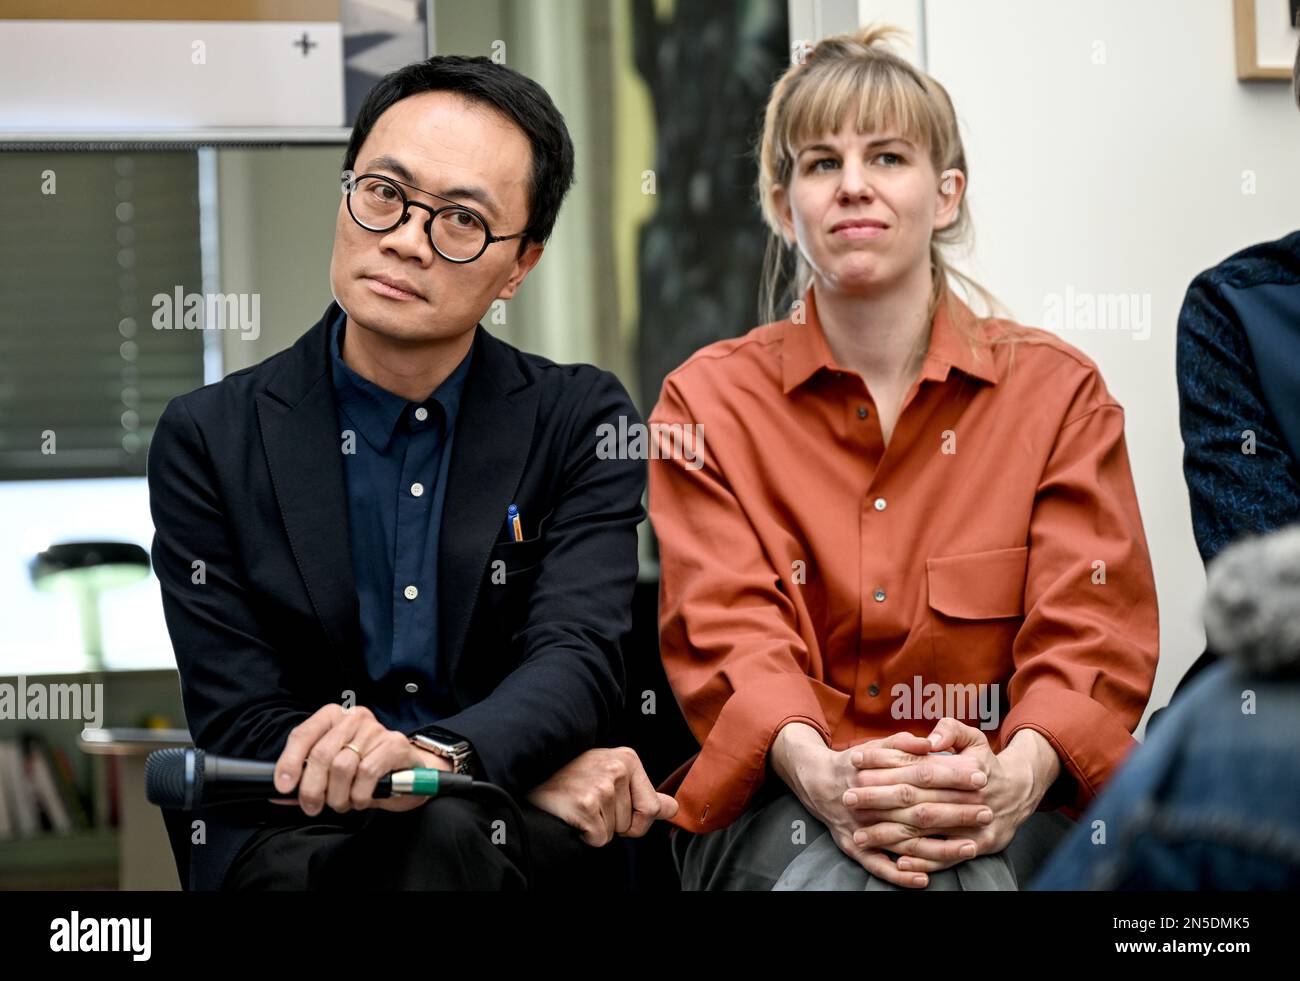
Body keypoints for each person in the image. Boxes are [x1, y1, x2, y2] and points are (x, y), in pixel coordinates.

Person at [648, 26, 1159, 890]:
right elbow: (732, 638)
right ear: (783, 206)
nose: (853, 186)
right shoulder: (705, 406)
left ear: (947, 193)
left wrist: (1012, 778)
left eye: (887, 157)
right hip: (787, 802)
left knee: (974, 872)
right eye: (820, 164)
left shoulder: (1058, 396)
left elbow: (1090, 634)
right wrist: (830, 776)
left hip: (1010, 794)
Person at [147, 55, 674, 891]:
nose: (403, 238)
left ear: (520, 264)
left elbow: (577, 659)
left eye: (461, 219)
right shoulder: (210, 437)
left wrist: (441, 760)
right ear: (348, 189)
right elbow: (240, 714)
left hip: (508, 827)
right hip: (296, 831)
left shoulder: (579, 420)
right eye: (384, 193)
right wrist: (453, 775)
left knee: (449, 835)